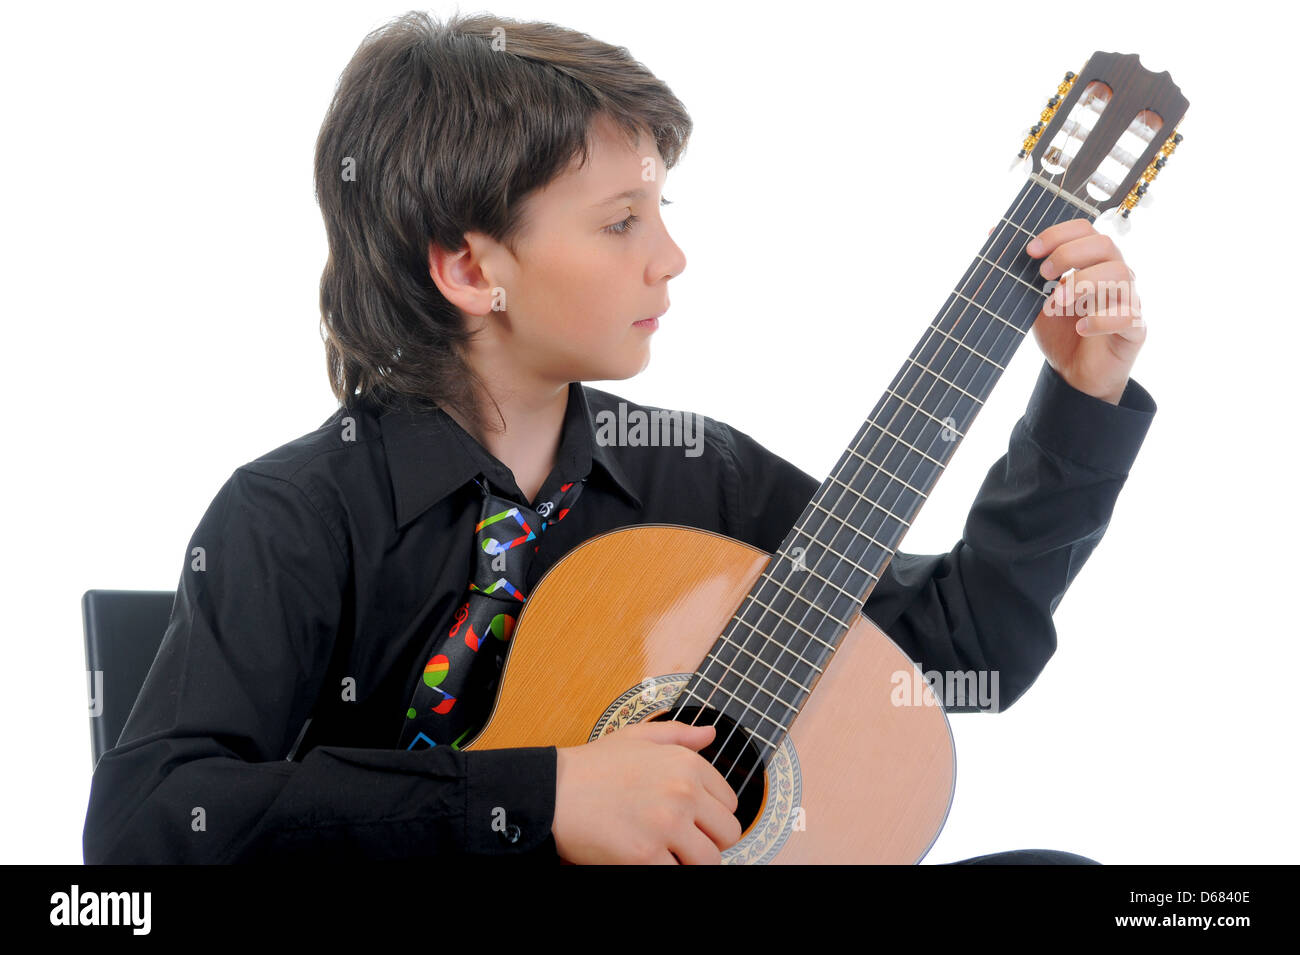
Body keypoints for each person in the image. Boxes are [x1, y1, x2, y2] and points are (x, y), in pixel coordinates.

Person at [82, 11, 1154, 865]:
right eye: (619, 221)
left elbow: (961, 657)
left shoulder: (699, 472)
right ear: (470, 269)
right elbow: (150, 823)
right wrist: (545, 794)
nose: (671, 256)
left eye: (662, 207)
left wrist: (1080, 403)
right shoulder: (298, 516)